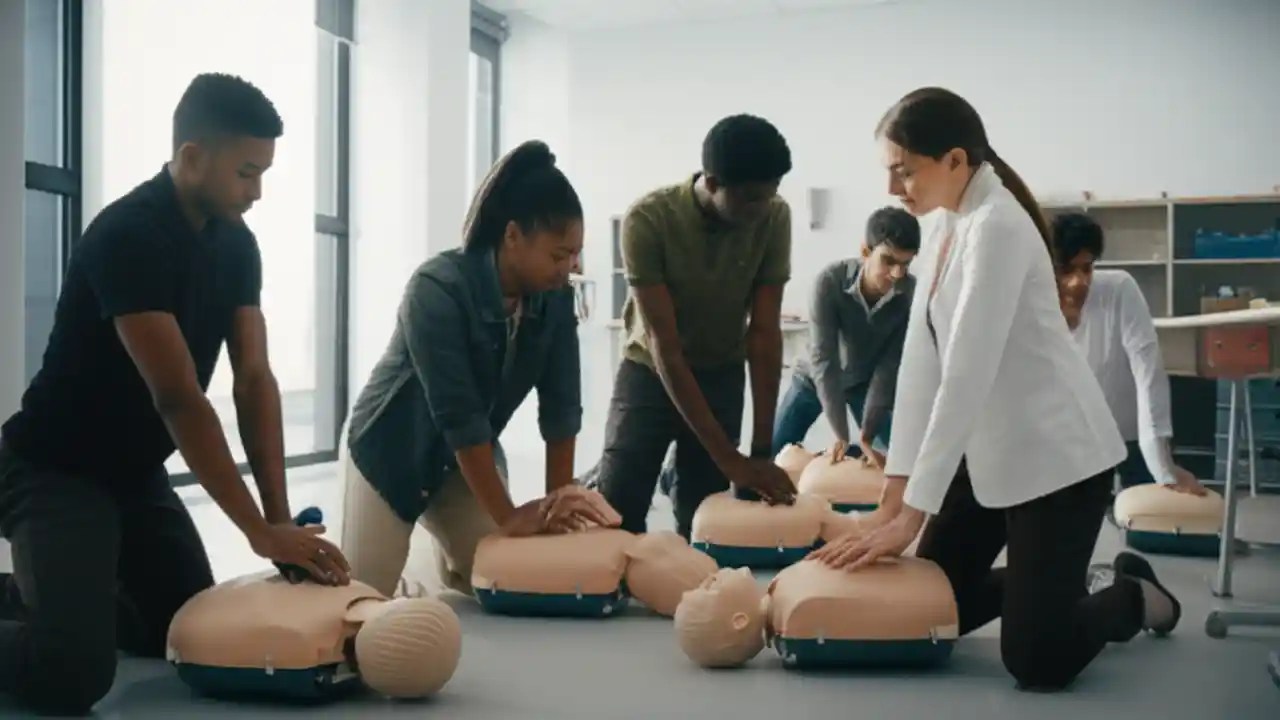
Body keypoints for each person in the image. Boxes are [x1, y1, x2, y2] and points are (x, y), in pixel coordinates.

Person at [0, 73, 350, 716]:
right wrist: (257, 533)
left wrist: (277, 519)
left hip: (134, 477)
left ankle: (48, 590)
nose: (258, 192)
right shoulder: (127, 236)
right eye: (247, 173)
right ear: (192, 158)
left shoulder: (238, 246)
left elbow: (253, 379)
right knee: (72, 673)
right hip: (52, 470)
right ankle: (43, 599)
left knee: (187, 634)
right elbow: (180, 398)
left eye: (264, 172)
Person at [811, 87, 1181, 691]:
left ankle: (1133, 596)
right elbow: (920, 365)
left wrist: (914, 519)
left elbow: (966, 373)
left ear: (956, 160)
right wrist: (894, 496)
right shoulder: (946, 226)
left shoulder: (1000, 225)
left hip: (1057, 460)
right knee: (930, 607)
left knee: (1038, 661)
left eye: (903, 171)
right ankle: (1056, 588)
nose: (892, 189)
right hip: (985, 457)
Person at [340, 141, 618, 599]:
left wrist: (557, 505)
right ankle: (405, 566)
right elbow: (460, 417)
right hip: (390, 455)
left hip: (462, 463)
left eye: (575, 255)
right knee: (360, 603)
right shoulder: (436, 289)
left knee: (502, 576)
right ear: (512, 236)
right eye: (557, 255)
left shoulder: (555, 300)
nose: (568, 269)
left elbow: (562, 407)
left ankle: (445, 559)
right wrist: (510, 517)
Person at [593, 114, 798, 539]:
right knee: (618, 509)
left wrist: (758, 454)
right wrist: (729, 459)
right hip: (649, 370)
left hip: (720, 368)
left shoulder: (774, 216)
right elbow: (665, 346)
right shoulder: (648, 220)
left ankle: (682, 490)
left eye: (772, 194)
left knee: (702, 514)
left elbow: (763, 335)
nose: (763, 209)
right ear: (713, 181)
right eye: (751, 199)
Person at [1053, 212, 1207, 496]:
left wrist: (1163, 467)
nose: (1078, 281)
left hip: (1130, 433)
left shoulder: (1118, 289)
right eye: (1067, 270)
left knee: (1152, 517)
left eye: (1087, 268)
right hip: (1067, 438)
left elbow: (1148, 373)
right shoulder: (1033, 301)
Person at [775, 206, 919, 468]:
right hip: (811, 379)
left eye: (905, 264)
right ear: (866, 251)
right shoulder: (829, 282)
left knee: (899, 461)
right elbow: (824, 360)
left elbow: (888, 367)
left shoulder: (910, 294)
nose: (897, 274)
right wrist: (840, 433)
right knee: (773, 453)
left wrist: (867, 431)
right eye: (888, 261)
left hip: (863, 383)